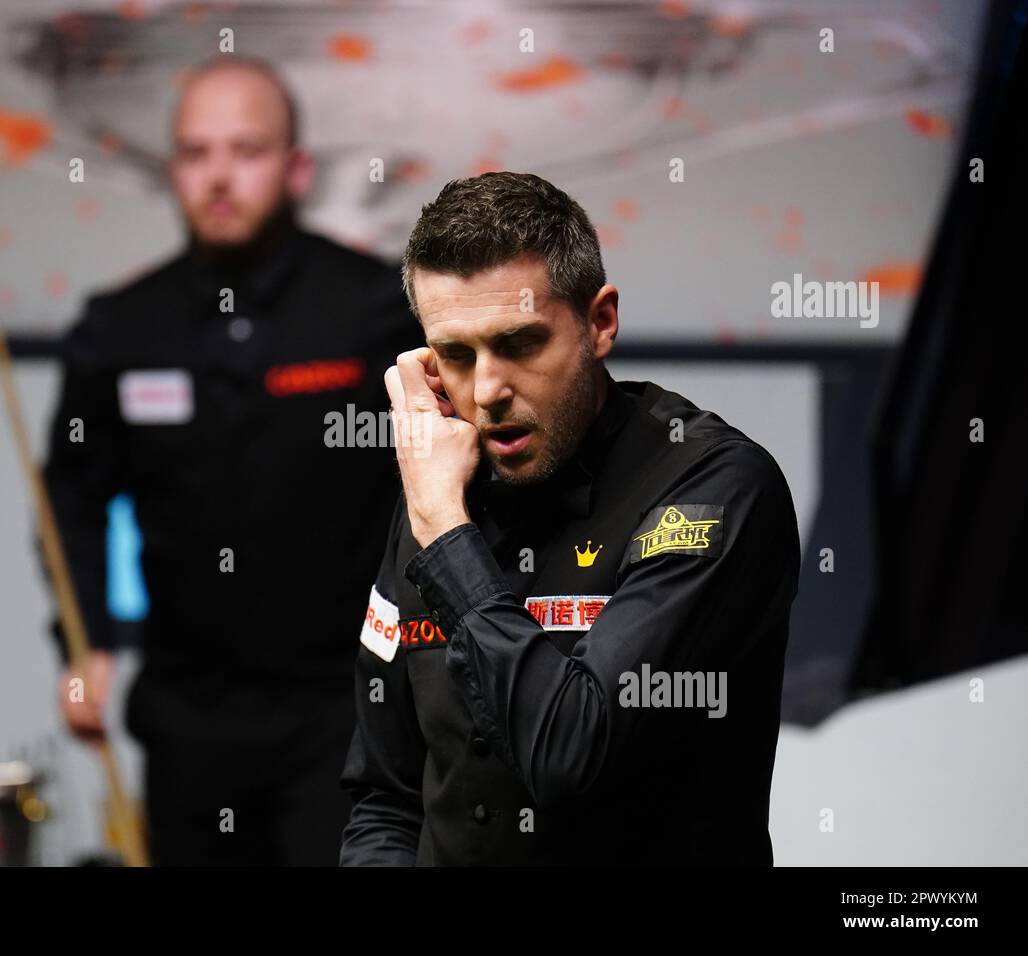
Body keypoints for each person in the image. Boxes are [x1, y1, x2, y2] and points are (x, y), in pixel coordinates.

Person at [339, 171, 801, 865]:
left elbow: (570, 753)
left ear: (600, 322)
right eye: (457, 356)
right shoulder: (439, 488)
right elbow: (386, 796)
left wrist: (447, 536)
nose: (488, 391)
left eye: (520, 344)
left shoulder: (714, 487)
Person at [43, 55, 417, 865]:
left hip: (347, 711)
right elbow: (69, 495)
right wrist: (87, 643)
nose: (219, 177)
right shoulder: (121, 327)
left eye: (246, 151)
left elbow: (453, 479)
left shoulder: (379, 309)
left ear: (295, 168)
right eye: (196, 152)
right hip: (187, 718)